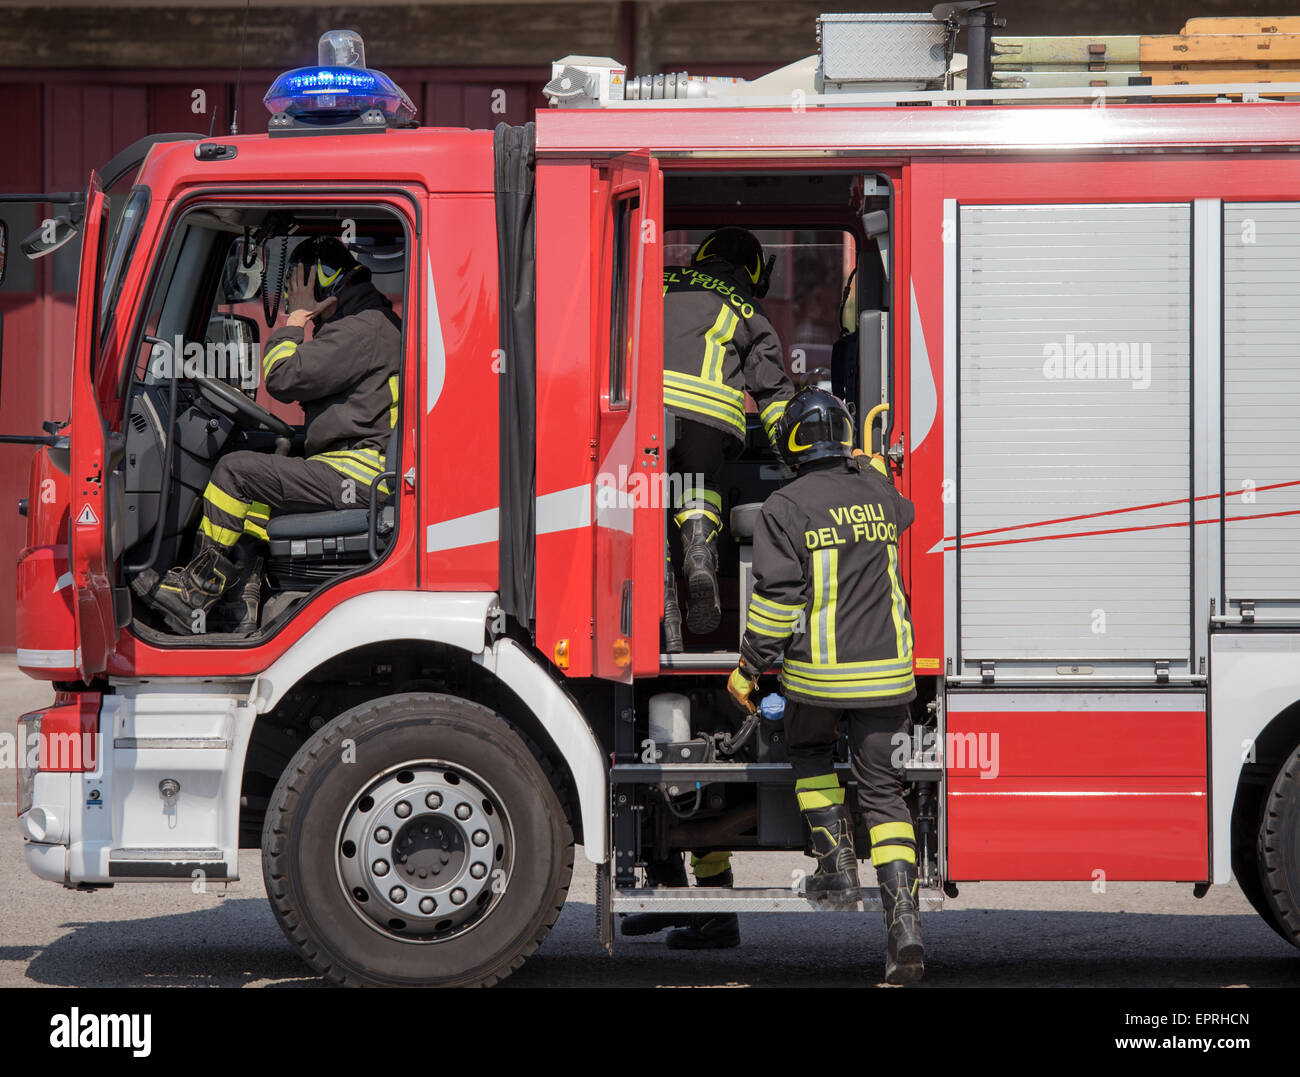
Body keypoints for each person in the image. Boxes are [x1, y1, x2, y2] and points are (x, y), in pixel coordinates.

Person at [726, 387, 925, 985]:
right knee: (885, 796)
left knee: (809, 748)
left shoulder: (784, 507)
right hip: (890, 675)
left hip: (819, 678)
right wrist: (870, 465)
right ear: (844, 435)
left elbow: (777, 604)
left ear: (790, 443)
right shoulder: (881, 495)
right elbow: (908, 512)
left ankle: (835, 862)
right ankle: (905, 931)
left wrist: (747, 669)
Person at [133, 236, 402, 635]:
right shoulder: (370, 322)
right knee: (259, 489)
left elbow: (281, 376)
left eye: (299, 287)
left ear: (323, 283)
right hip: (355, 467)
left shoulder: (360, 330)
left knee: (234, 473)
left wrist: (295, 320)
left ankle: (196, 592)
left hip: (359, 474)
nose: (295, 298)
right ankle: (240, 599)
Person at [662, 227, 794, 650]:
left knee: (641, 503)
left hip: (645, 409)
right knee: (698, 482)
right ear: (754, 272)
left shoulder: (659, 279)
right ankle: (700, 554)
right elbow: (773, 394)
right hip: (708, 415)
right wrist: (798, 458)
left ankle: (663, 601)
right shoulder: (748, 308)